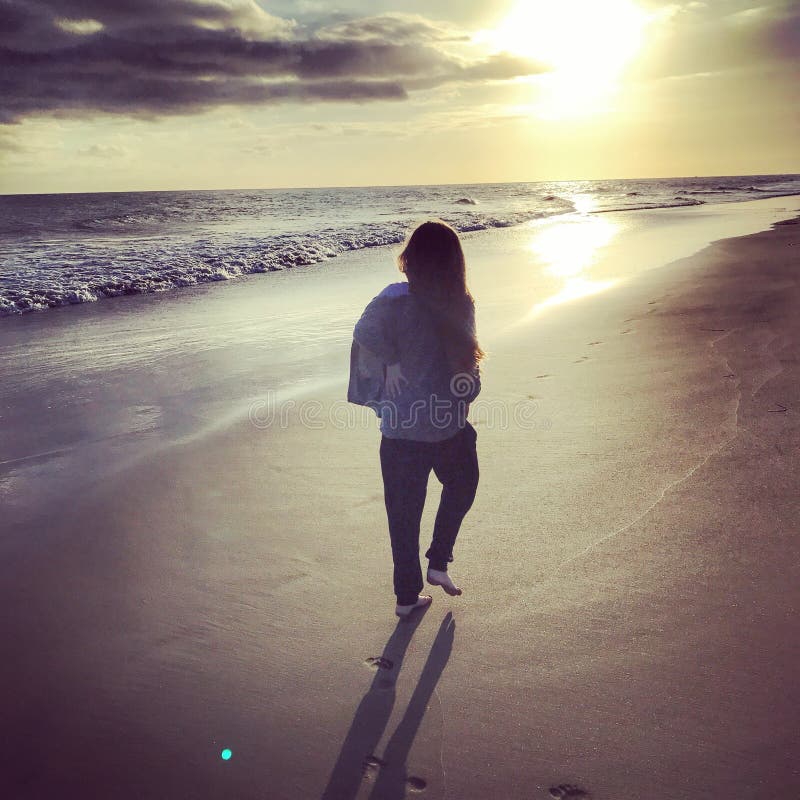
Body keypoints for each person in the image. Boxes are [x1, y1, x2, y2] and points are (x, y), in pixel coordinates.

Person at [348, 220, 483, 618]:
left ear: (411, 260)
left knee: (403, 517)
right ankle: (438, 561)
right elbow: (467, 373)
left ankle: (406, 600)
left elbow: (363, 331)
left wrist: (390, 361)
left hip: (400, 430)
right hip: (446, 426)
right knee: (463, 484)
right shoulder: (460, 302)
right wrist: (469, 392)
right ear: (454, 262)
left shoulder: (391, 300)